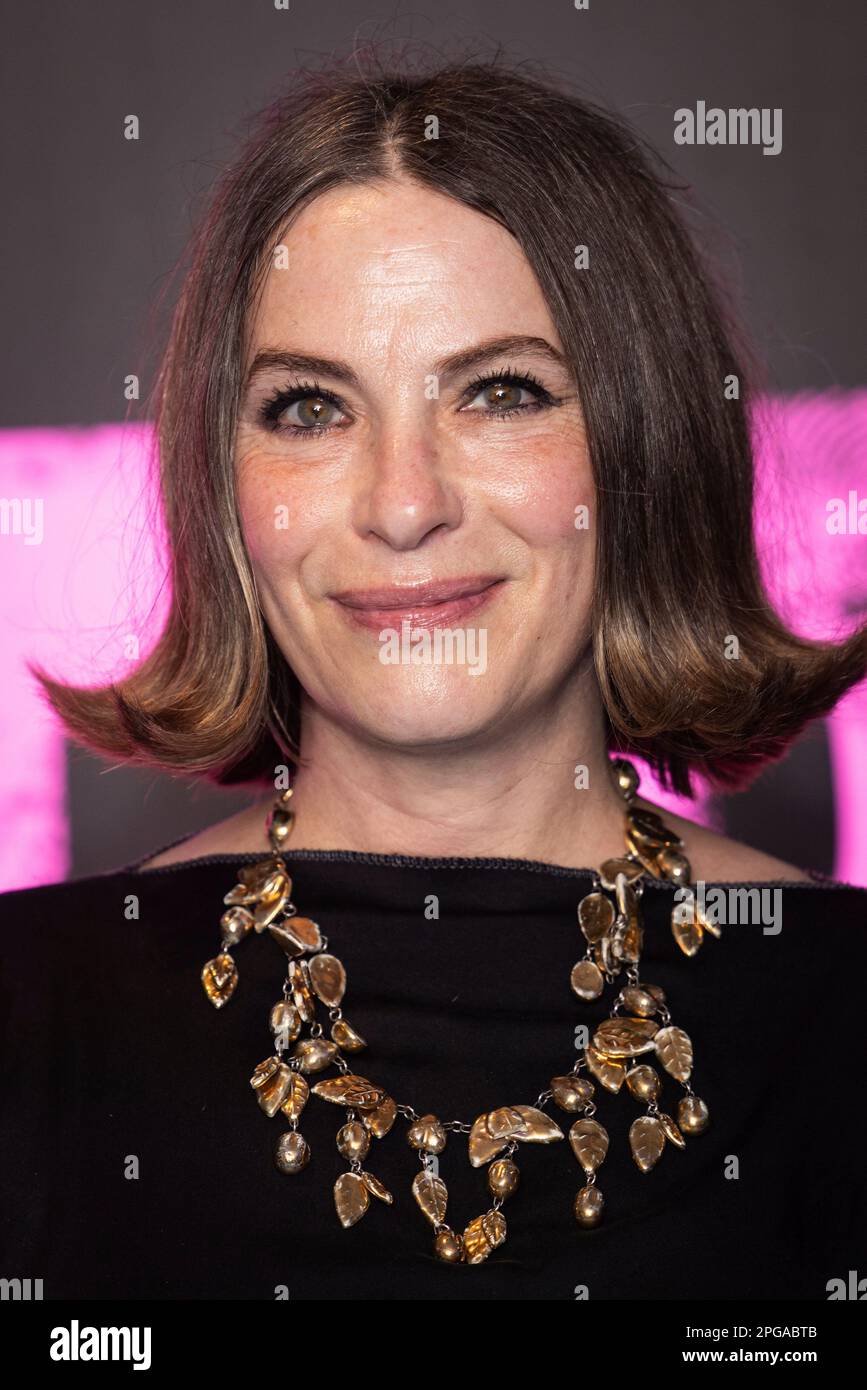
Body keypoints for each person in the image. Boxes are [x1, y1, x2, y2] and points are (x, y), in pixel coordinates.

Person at [2, 56, 865, 1300]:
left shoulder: (846, 1018)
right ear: (224, 484)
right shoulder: (31, 1016)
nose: (404, 504)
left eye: (500, 393)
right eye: (310, 409)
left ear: (644, 444)